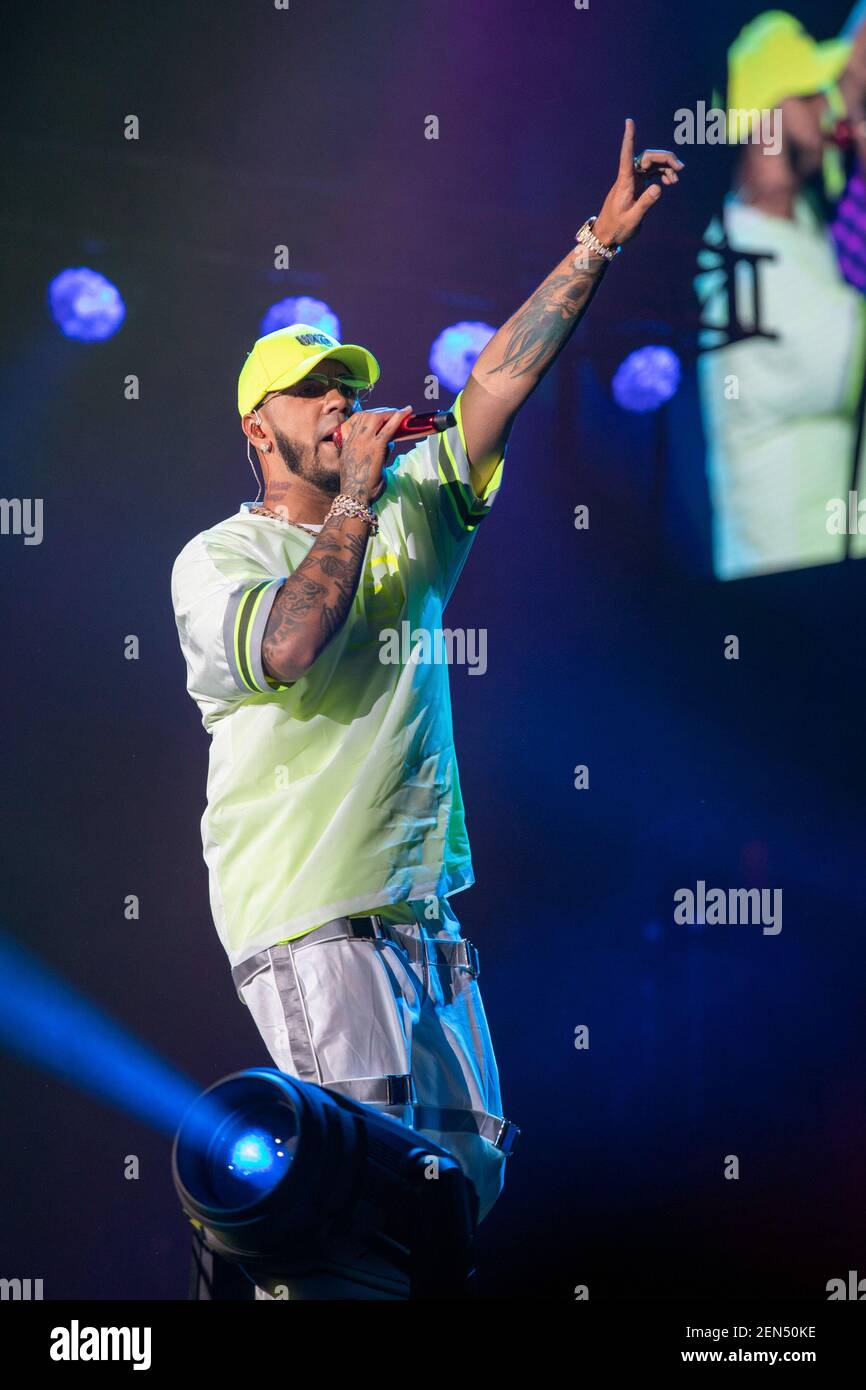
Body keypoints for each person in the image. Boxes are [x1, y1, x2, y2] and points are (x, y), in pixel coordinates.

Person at [170, 121, 681, 1265]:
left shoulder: (407, 501)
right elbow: (294, 643)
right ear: (258, 428)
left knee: (454, 1188)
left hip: (422, 914)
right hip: (312, 911)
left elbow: (497, 375)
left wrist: (594, 242)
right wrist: (355, 495)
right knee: (346, 1192)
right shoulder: (220, 559)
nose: (337, 405)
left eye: (344, 386)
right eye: (310, 393)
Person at [696, 10, 866, 579]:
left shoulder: (810, 229)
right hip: (782, 581)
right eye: (811, 97)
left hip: (834, 574)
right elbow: (843, 366)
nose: (829, 111)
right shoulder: (735, 253)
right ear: (769, 114)